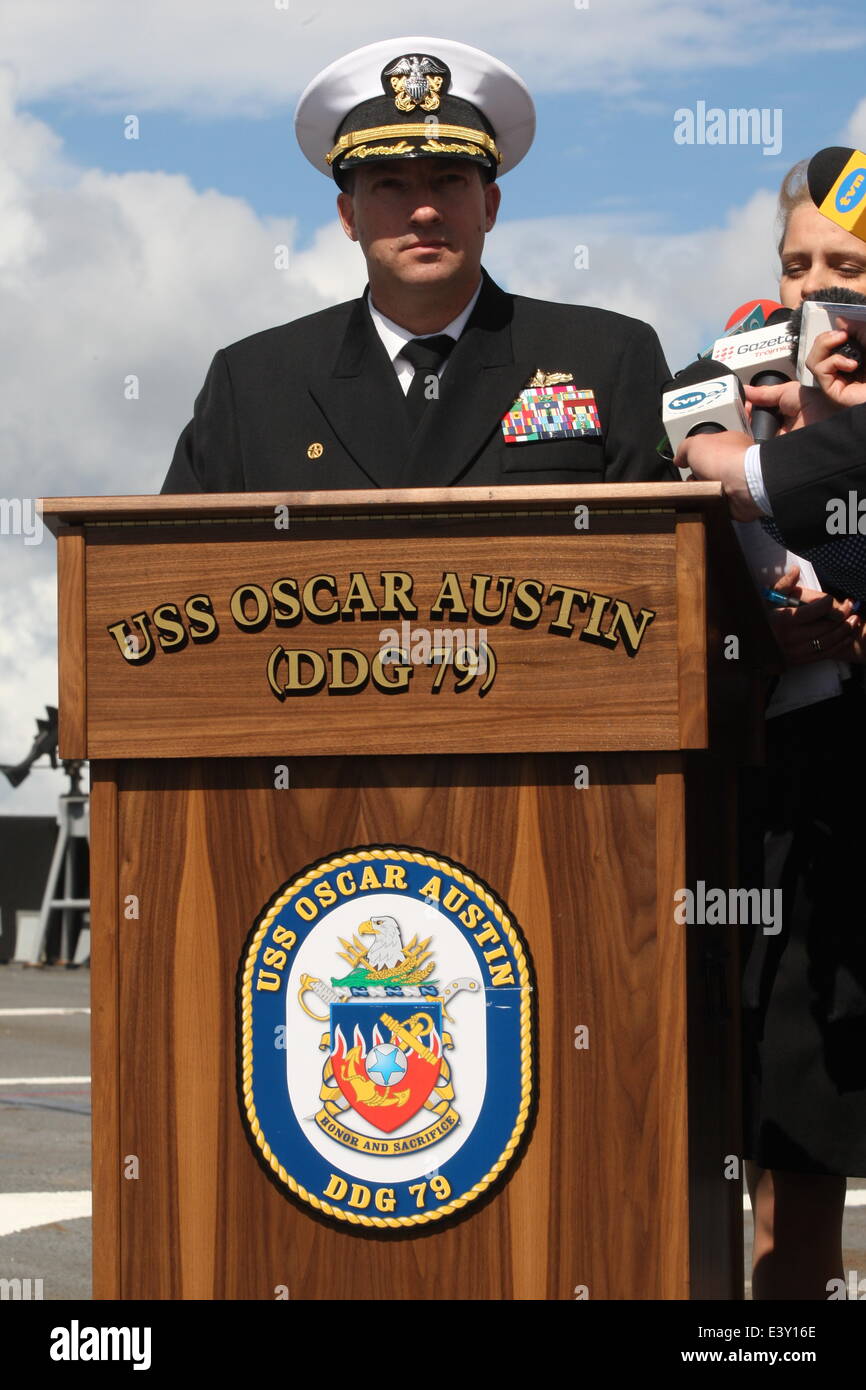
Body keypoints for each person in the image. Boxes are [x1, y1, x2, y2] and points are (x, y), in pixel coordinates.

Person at [161, 36, 674, 495]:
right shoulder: (252, 384)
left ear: (490, 207)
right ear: (348, 217)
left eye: (448, 180)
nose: (425, 209)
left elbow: (675, 567)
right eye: (390, 185)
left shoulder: (609, 359)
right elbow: (165, 572)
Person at [717, 159, 866, 1300]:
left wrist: (759, 467)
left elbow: (759, 480)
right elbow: (679, 436)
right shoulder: (736, 363)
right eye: (797, 264)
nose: (818, 291)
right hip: (799, 825)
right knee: (795, 1157)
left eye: (850, 267)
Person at [676, 166, 866, 548]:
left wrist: (750, 473)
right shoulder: (758, 413)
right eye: (794, 269)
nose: (811, 286)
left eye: (846, 268)